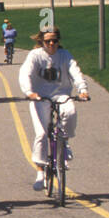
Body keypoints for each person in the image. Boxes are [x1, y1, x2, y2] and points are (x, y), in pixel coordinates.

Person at [19, 26, 89, 191]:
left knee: (70, 111)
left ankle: (64, 141)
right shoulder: (35, 55)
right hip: (39, 97)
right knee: (42, 133)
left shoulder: (65, 55)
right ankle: (40, 172)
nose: (51, 43)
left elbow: (76, 72)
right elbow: (25, 73)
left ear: (59, 41)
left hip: (61, 94)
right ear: (41, 41)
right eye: (48, 41)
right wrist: (29, 92)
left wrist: (83, 90)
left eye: (54, 40)